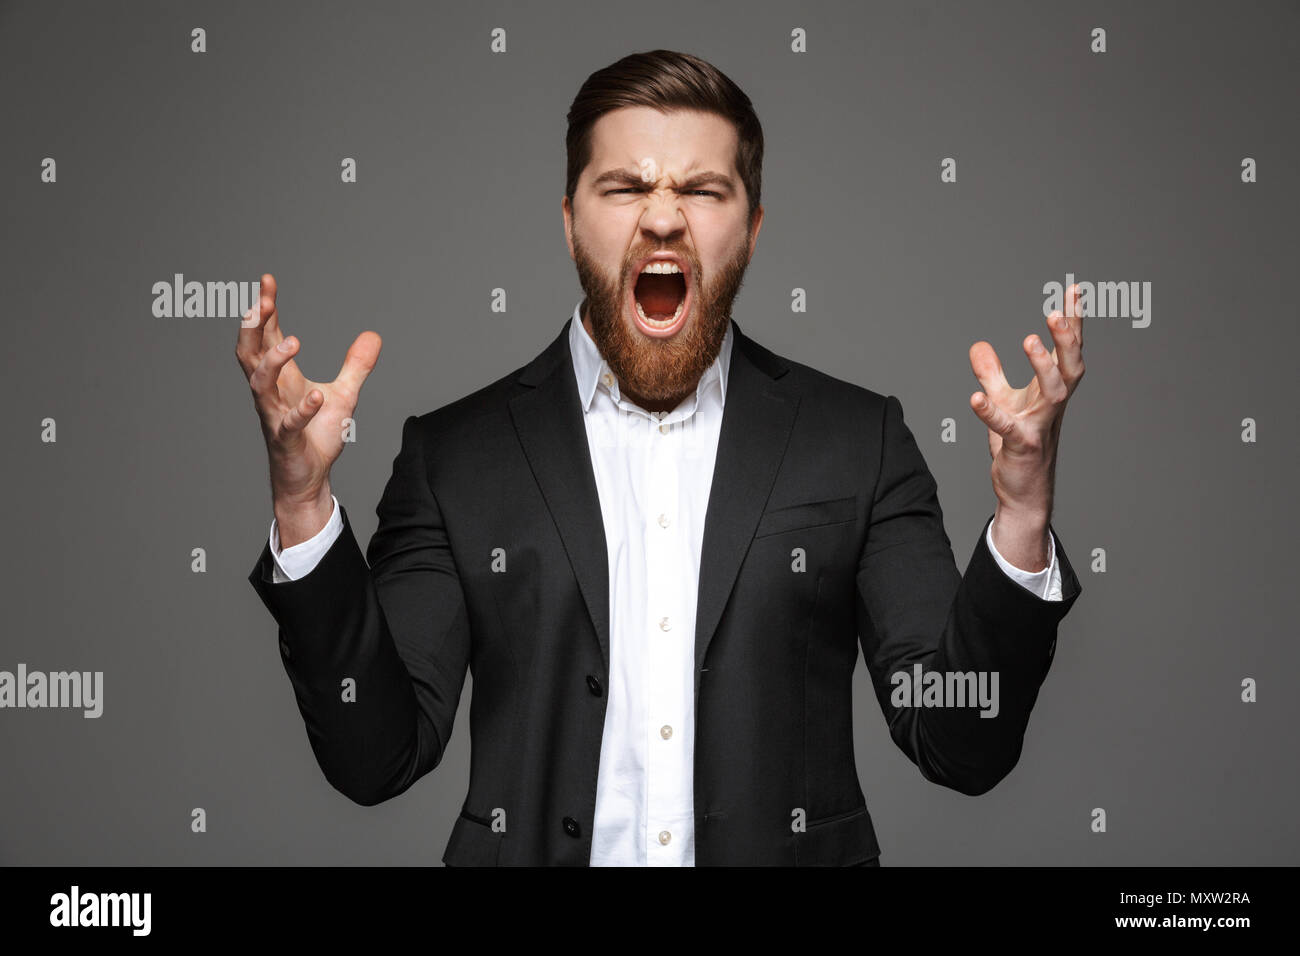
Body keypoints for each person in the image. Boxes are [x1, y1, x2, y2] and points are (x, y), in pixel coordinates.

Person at [235, 49, 1085, 866]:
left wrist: (1020, 517)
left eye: (704, 189)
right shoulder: (455, 456)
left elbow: (960, 744)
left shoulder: (856, 441)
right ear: (570, 220)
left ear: (750, 229)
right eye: (626, 186)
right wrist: (304, 506)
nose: (664, 214)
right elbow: (373, 757)